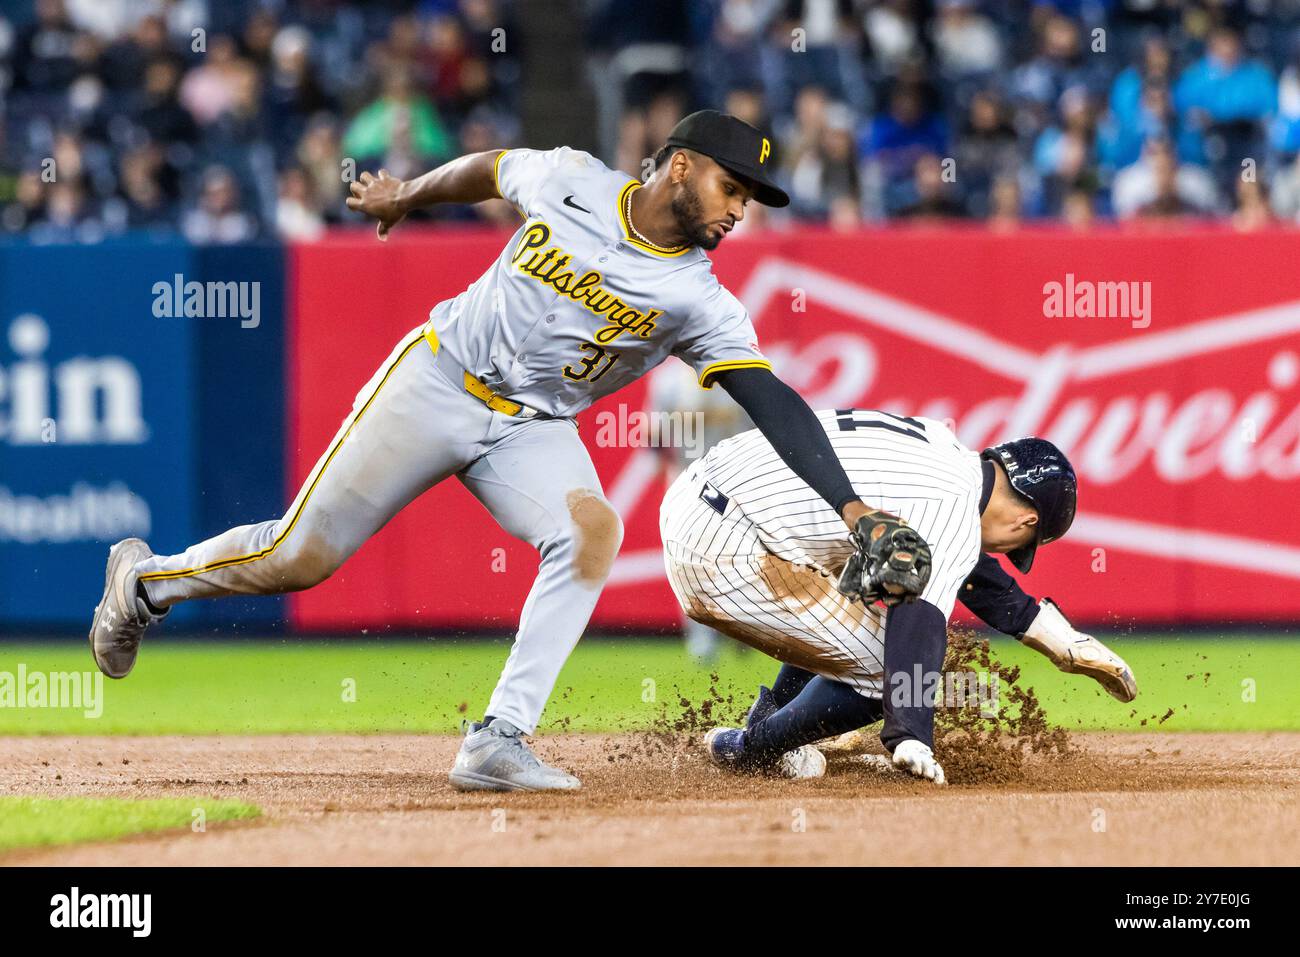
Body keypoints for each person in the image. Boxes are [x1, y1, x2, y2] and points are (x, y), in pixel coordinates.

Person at [89, 111, 932, 792]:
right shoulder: (571, 179)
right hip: (439, 378)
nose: (739, 209)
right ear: (680, 166)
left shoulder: (698, 298)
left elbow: (771, 400)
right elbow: (490, 169)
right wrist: (407, 195)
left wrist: (852, 509)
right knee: (301, 556)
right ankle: (145, 583)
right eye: (731, 186)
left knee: (591, 530)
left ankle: (499, 735)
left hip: (532, 426)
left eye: (748, 197)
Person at [659, 411, 1136, 783]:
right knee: (882, 671)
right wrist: (910, 734)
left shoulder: (943, 450)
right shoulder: (952, 511)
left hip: (703, 498)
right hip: (722, 548)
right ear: (1026, 522)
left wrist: (1052, 633)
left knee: (864, 581)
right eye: (1019, 547)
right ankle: (752, 749)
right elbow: (918, 619)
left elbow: (965, 566)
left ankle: (771, 714)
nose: (1003, 552)